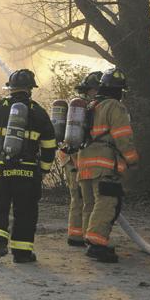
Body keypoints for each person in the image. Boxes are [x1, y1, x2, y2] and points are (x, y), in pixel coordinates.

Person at [0, 69, 56, 264]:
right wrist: (44, 169)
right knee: (26, 211)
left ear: (10, 88)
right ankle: (22, 253)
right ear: (30, 89)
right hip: (27, 171)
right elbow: (49, 144)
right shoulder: (38, 111)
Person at [77, 68, 139, 263]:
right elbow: (122, 136)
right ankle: (97, 245)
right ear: (119, 90)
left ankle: (90, 240)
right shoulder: (115, 107)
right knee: (107, 202)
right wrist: (132, 159)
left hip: (84, 161)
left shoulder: (91, 105)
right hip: (104, 163)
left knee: (90, 204)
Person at [61, 71, 102, 247]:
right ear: (91, 90)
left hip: (69, 157)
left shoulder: (78, 106)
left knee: (77, 197)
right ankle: (84, 235)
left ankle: (75, 235)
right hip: (77, 158)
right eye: (97, 89)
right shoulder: (89, 108)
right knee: (87, 199)